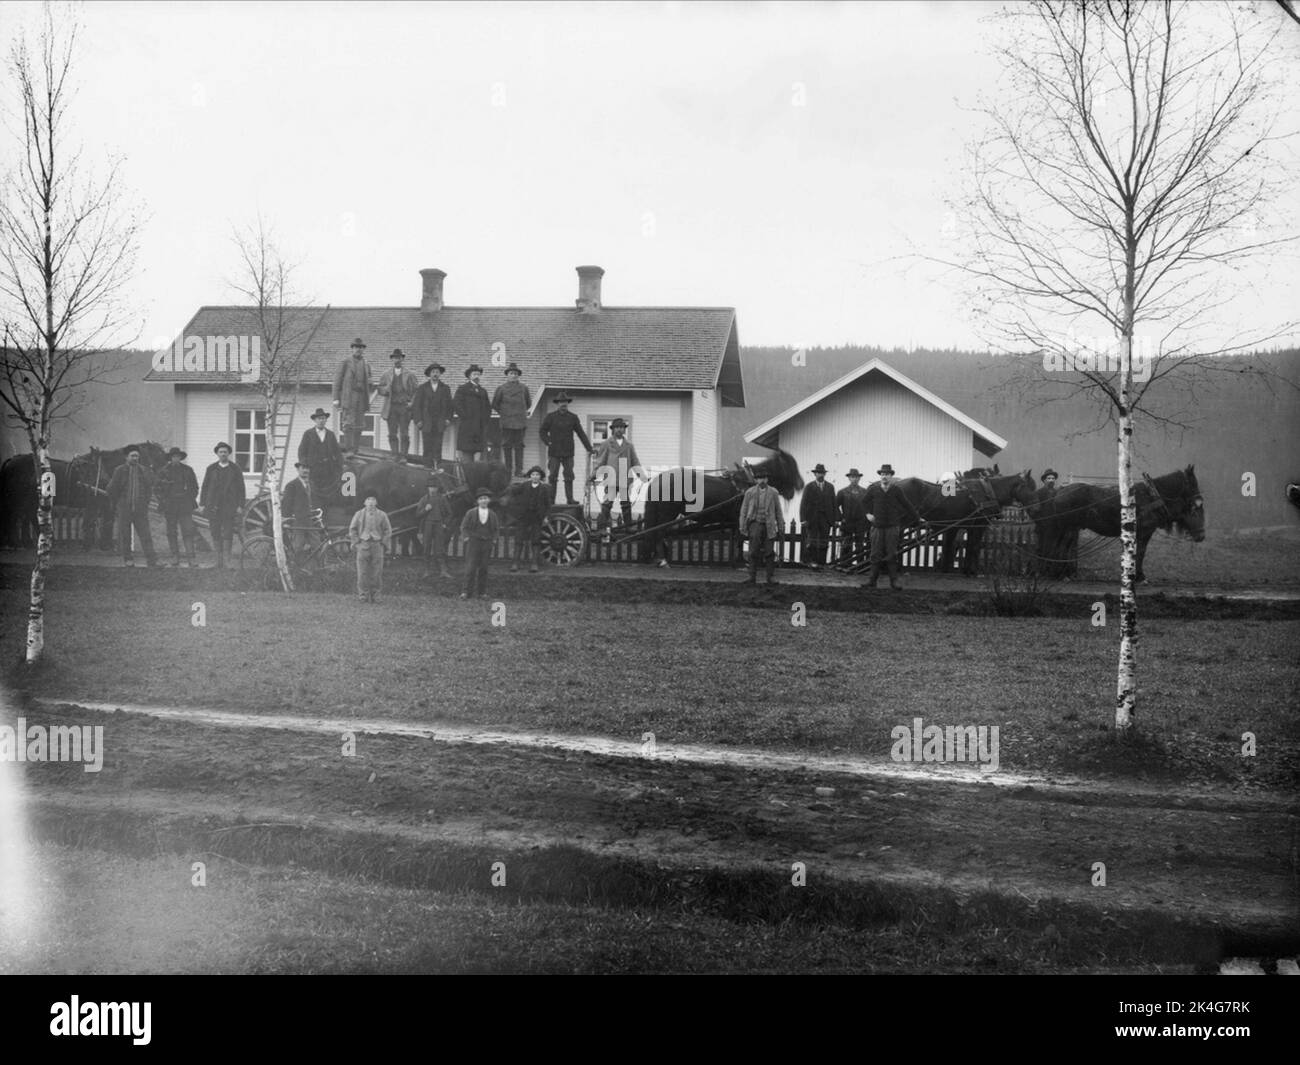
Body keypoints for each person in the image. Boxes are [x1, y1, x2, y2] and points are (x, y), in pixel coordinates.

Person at [864, 463, 925, 590]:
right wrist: (868, 514)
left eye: (887, 474)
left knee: (892, 554)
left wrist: (918, 518)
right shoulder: (874, 489)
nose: (884, 476)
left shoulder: (897, 490)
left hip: (892, 527)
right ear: (880, 476)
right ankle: (872, 581)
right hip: (877, 527)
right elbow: (864, 502)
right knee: (875, 554)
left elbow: (907, 505)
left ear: (891, 476)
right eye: (882, 474)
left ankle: (894, 582)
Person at [590, 418, 645, 539]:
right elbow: (600, 462)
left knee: (626, 504)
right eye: (617, 427)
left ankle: (628, 527)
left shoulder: (629, 445)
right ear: (613, 429)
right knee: (607, 504)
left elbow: (635, 461)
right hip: (611, 478)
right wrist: (593, 475)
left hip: (625, 479)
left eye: (622, 427)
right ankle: (601, 528)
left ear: (624, 430)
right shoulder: (606, 444)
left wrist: (642, 476)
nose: (620, 429)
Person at [106, 445, 159, 567]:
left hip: (140, 509)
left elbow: (148, 488)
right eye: (132, 456)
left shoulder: (144, 470)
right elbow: (111, 488)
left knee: (146, 535)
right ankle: (128, 560)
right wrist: (118, 502)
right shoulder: (119, 470)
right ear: (126, 457)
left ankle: (152, 561)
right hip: (125, 509)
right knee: (126, 535)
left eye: (137, 456)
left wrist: (145, 502)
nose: (135, 458)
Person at [539, 392, 592, 505]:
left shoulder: (573, 418)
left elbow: (581, 433)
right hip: (554, 452)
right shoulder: (550, 417)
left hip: (568, 452)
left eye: (565, 402)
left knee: (569, 476)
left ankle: (570, 499)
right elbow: (542, 431)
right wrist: (548, 441)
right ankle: (551, 500)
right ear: (557, 404)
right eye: (561, 402)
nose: (563, 404)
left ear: (568, 403)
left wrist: (589, 448)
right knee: (553, 476)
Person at [200, 442, 246, 570]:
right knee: (215, 532)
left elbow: (241, 488)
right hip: (213, 505)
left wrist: (240, 505)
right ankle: (217, 562)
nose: (223, 454)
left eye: (225, 452)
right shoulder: (211, 468)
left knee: (228, 533)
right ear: (217, 453)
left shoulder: (235, 469)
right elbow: (205, 486)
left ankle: (227, 562)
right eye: (221, 452)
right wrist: (203, 504)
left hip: (229, 506)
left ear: (228, 453)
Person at [154, 446, 198, 567]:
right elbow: (157, 489)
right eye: (173, 457)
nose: (176, 459)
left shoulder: (188, 470)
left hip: (185, 505)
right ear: (170, 458)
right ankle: (175, 556)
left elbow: (195, 487)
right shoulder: (163, 471)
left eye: (178, 457)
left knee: (188, 530)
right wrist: (163, 501)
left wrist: (189, 499)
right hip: (170, 505)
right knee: (171, 532)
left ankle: (191, 557)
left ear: (180, 458)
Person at [739, 467, 783, 585]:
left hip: (769, 525)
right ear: (756, 480)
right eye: (759, 478)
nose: (761, 481)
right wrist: (742, 526)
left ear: (767, 479)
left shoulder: (773, 492)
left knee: (769, 552)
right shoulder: (750, 492)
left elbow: (778, 510)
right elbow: (744, 510)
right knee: (753, 552)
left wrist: (780, 526)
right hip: (755, 524)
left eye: (763, 478)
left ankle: (770, 578)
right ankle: (751, 577)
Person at [348, 493, 392, 603]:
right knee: (362, 573)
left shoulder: (382, 515)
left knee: (377, 572)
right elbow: (352, 529)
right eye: (369, 503)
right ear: (365, 504)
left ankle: (376, 596)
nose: (371, 505)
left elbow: (388, 530)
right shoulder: (359, 514)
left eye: (373, 503)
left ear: (376, 504)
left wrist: (383, 542)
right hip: (363, 545)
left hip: (377, 545)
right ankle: (363, 595)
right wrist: (356, 542)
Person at [332, 338, 372, 453]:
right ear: (352, 349)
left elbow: (369, 379)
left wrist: (370, 383)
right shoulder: (345, 362)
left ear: (363, 349)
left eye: (360, 348)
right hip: (349, 396)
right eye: (356, 347)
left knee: (359, 424)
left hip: (361, 397)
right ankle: (349, 449)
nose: (358, 350)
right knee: (348, 424)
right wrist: (336, 398)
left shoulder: (366, 364)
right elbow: (337, 381)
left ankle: (355, 449)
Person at [459, 487, 500, 599]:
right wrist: (466, 538)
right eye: (481, 498)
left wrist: (494, 539)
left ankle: (482, 592)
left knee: (483, 568)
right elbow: (464, 527)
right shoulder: (471, 513)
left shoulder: (492, 514)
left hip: (486, 543)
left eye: (485, 498)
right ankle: (466, 592)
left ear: (489, 500)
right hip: (473, 542)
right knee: (470, 567)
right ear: (477, 501)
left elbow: (496, 529)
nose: (483, 500)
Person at [377, 348, 418, 461]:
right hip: (391, 407)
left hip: (404, 407)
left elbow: (416, 391)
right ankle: (394, 454)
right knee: (392, 433)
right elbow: (380, 389)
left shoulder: (410, 374)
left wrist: (411, 403)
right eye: (395, 358)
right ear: (392, 359)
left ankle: (403, 455)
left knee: (404, 433)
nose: (397, 360)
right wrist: (386, 389)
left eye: (399, 358)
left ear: (402, 359)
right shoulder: (386, 374)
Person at [492, 362, 532, 477]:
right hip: (506, 422)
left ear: (518, 375)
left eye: (515, 373)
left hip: (520, 422)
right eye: (511, 373)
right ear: (507, 375)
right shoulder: (501, 389)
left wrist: (519, 412)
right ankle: (508, 469)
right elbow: (495, 404)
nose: (513, 375)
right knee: (507, 446)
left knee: (519, 446)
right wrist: (504, 413)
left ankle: (519, 470)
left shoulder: (524, 388)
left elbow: (528, 403)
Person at [412, 363, 454, 464]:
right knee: (427, 448)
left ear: (440, 374)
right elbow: (416, 406)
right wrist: (418, 420)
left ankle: (438, 470)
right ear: (429, 374)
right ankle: (427, 470)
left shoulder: (445, 388)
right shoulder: (422, 388)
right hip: (426, 423)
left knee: (437, 448)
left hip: (439, 423)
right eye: (433, 372)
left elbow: (450, 406)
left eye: (437, 372)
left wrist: (448, 419)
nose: (435, 374)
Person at [298, 408, 342, 503]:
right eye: (319, 419)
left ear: (326, 420)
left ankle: (327, 513)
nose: (321, 421)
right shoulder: (308, 434)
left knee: (329, 492)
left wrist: (339, 466)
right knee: (314, 493)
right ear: (315, 420)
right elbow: (301, 452)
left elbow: (337, 452)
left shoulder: (330, 435)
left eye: (323, 418)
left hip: (328, 469)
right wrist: (305, 465)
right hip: (313, 469)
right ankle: (316, 512)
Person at [511, 465, 550, 573]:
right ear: (530, 476)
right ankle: (515, 563)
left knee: (536, 540)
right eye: (533, 474)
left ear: (540, 476)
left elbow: (548, 504)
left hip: (536, 517)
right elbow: (513, 492)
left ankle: (534, 564)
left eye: (537, 475)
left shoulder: (544, 488)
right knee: (519, 539)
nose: (535, 477)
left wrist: (546, 516)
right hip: (524, 516)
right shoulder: (524, 485)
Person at [415, 473, 453, 579]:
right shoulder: (424, 499)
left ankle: (443, 571)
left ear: (437, 488)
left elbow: (449, 513)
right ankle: (427, 571)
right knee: (426, 547)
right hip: (427, 525)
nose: (433, 489)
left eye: (435, 487)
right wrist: (425, 510)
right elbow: (417, 514)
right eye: (431, 487)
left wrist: (445, 523)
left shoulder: (442, 499)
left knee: (439, 548)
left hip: (439, 525)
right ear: (428, 488)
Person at [799, 463, 836, 570]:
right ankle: (813, 563)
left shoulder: (830, 487)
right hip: (812, 519)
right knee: (813, 541)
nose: (820, 475)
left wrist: (834, 520)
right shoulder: (809, 487)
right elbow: (803, 504)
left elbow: (833, 503)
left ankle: (822, 563)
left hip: (826, 519)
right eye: (818, 473)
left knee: (824, 540)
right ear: (815, 474)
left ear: (824, 474)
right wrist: (803, 519)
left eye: (822, 473)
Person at [453, 364, 492, 463]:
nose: (477, 376)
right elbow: (457, 404)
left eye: (478, 374)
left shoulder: (483, 391)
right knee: (467, 454)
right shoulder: (463, 389)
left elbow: (488, 408)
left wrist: (484, 421)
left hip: (479, 428)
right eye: (474, 374)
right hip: (467, 427)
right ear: (469, 376)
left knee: (479, 455)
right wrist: (465, 417)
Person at [836, 468, 870, 566]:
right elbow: (835, 506)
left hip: (861, 523)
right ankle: (845, 564)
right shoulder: (842, 492)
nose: (854, 479)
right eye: (852, 477)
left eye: (856, 477)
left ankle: (860, 565)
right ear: (849, 478)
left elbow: (868, 506)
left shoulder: (864, 492)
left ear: (859, 478)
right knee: (846, 544)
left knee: (859, 545)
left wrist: (867, 517)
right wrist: (841, 517)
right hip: (847, 522)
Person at [281, 463, 317, 554]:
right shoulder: (291, 485)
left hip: (309, 521)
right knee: (297, 547)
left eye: (307, 468)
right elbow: (286, 505)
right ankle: (293, 566)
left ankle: (317, 566)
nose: (306, 471)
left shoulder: (311, 484)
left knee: (317, 544)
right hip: (298, 521)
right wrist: (286, 521)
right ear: (298, 470)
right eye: (303, 468)